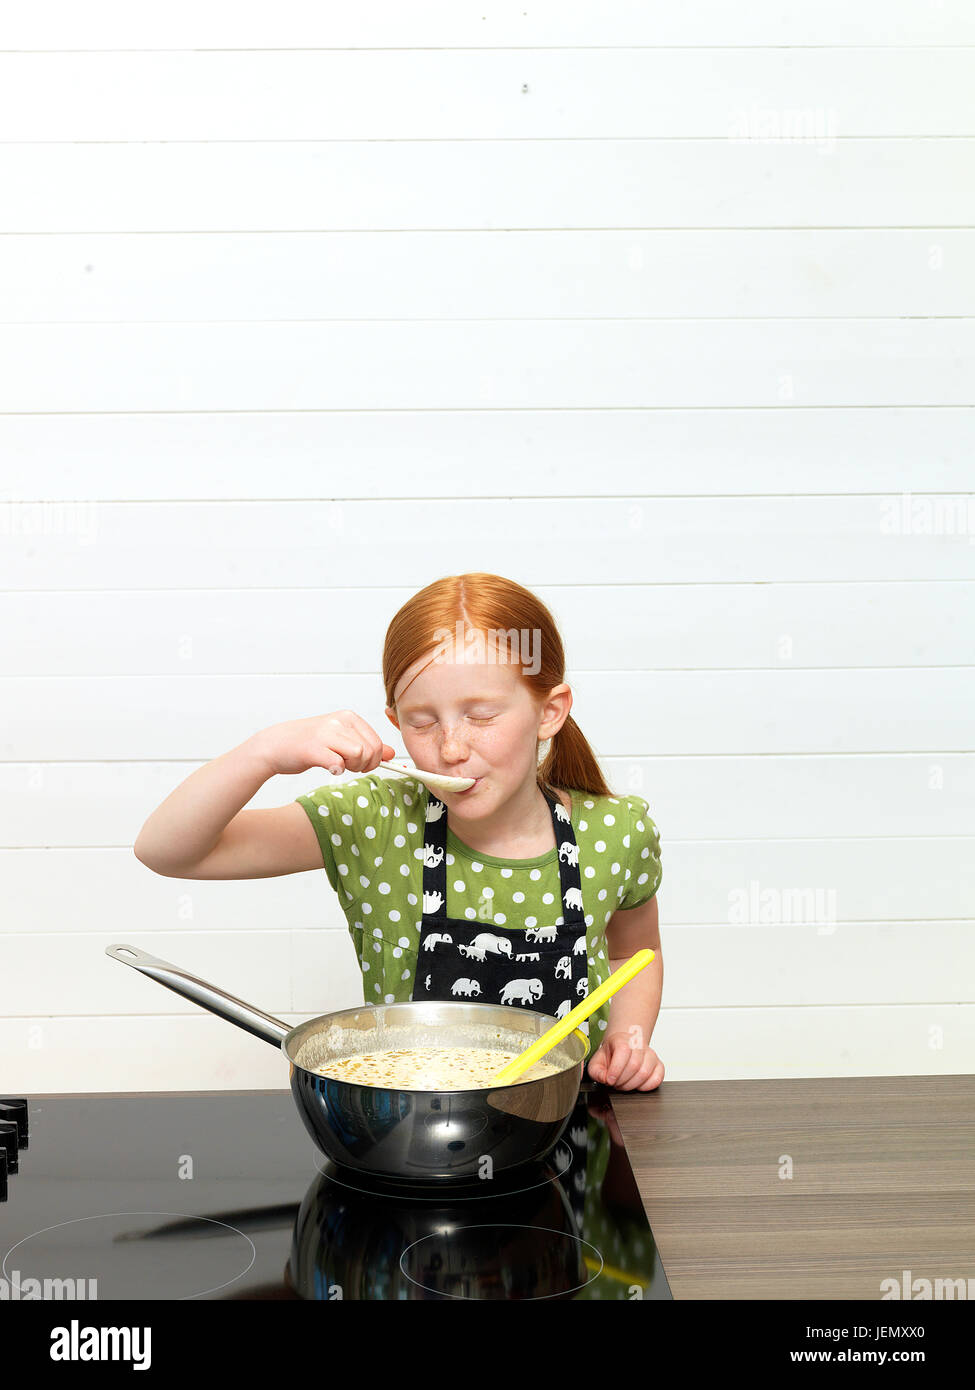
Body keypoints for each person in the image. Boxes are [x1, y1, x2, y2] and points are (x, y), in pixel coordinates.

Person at [134, 572, 664, 1091]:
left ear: (549, 712)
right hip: (407, 1138)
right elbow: (168, 851)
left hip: (563, 1127)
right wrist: (265, 751)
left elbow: (634, 954)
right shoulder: (375, 823)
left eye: (481, 716)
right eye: (422, 721)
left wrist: (628, 1037)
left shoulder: (616, 834)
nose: (451, 748)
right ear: (393, 719)